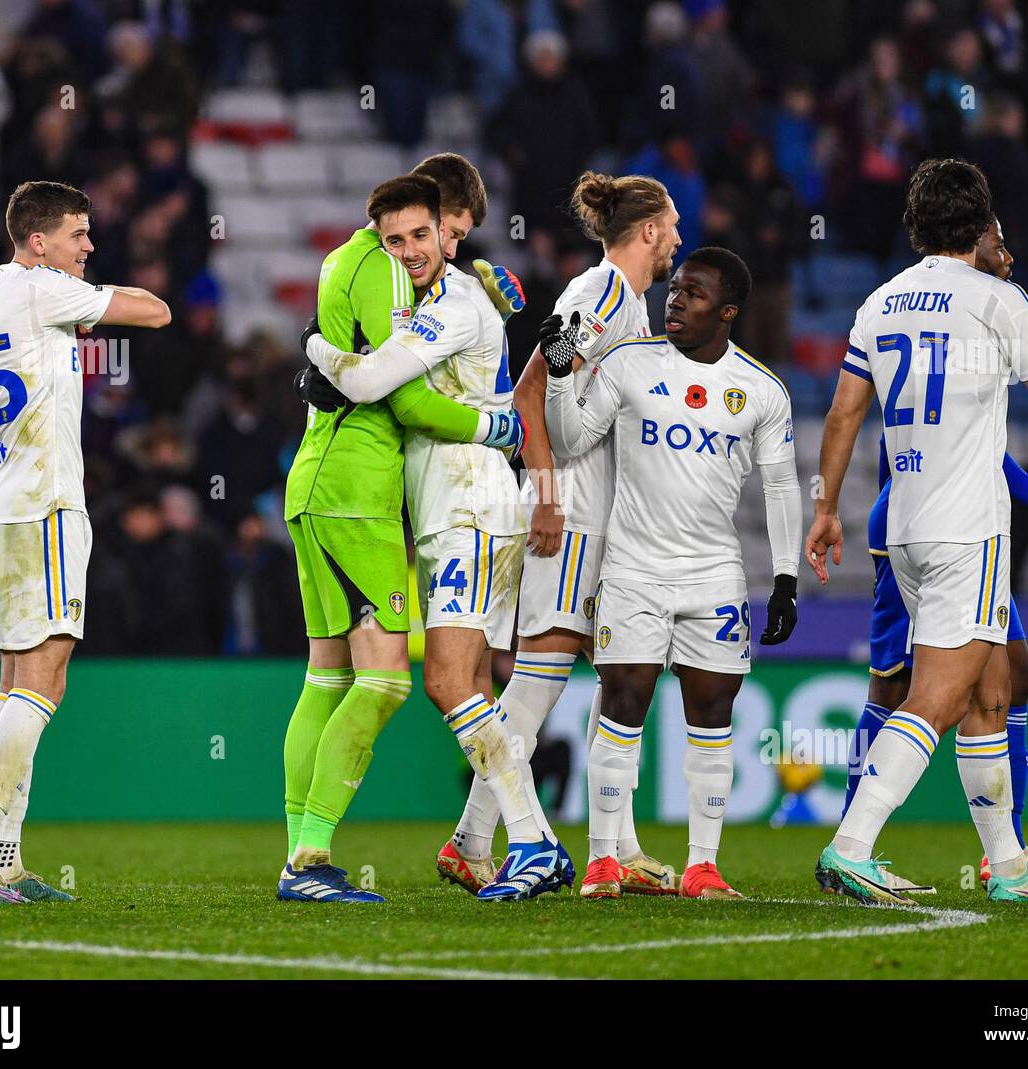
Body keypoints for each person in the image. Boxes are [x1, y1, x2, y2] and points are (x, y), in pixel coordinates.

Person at [805, 159, 1028, 905]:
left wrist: (824, 509)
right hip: (968, 530)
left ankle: (1008, 862)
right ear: (982, 222)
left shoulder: (880, 303)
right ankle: (852, 845)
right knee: (938, 699)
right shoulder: (998, 300)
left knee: (994, 689)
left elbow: (844, 415)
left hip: (907, 528)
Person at [304, 173, 568, 903]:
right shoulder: (453, 291)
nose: (416, 248)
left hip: (472, 507)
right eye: (399, 239)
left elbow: (368, 384)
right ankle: (477, 842)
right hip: (459, 506)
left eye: (427, 234)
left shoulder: (454, 300)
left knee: (448, 681)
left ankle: (537, 841)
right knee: (474, 683)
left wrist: (319, 347)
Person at [438, 171, 680, 898]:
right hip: (568, 509)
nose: (677, 235)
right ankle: (482, 839)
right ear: (644, 231)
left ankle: (604, 845)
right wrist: (545, 495)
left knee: (622, 675)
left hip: (601, 516)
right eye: (669, 223)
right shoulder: (601, 295)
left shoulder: (626, 301)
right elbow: (531, 388)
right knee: (538, 691)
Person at [542, 247, 802, 900]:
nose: (675, 299)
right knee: (623, 699)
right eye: (675, 287)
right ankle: (603, 859)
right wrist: (555, 375)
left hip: (714, 575)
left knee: (713, 712)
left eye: (694, 293)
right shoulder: (628, 364)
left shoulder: (763, 391)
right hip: (632, 568)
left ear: (729, 311)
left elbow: (781, 488)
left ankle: (703, 866)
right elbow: (572, 440)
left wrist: (787, 579)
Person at [0, 180, 171, 904]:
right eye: (79, 233)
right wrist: (92, 300)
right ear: (37, 241)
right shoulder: (41, 287)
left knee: (22, 680)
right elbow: (156, 311)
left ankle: (4, 855)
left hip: (1, 501)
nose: (89, 246)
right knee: (43, 677)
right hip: (44, 505)